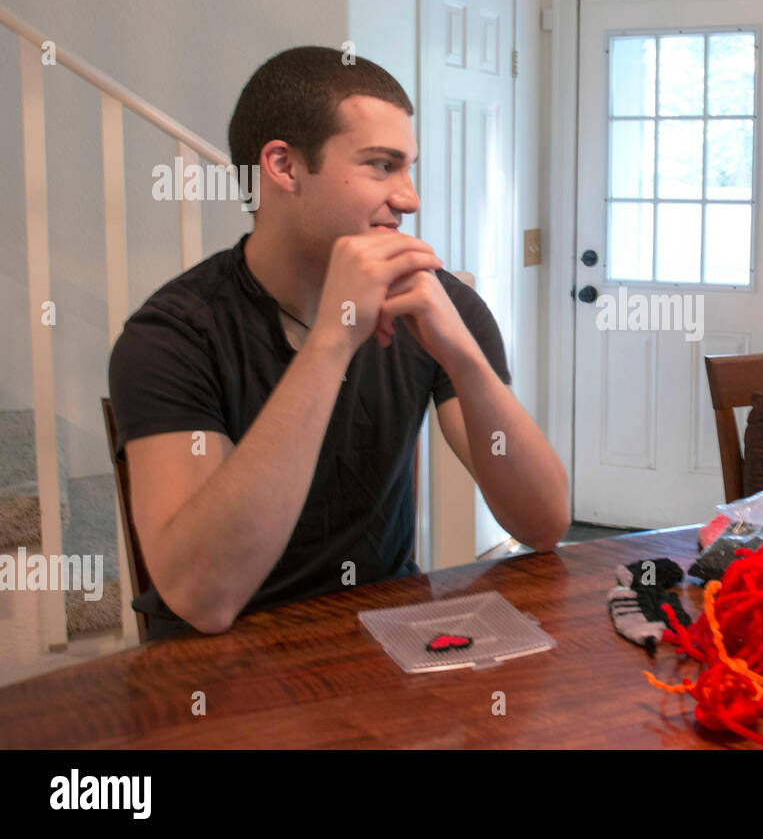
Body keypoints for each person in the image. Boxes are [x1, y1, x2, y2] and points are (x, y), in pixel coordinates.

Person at [109, 47, 569, 639]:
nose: (409, 197)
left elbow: (544, 524)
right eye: (381, 165)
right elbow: (205, 598)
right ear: (283, 167)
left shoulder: (433, 304)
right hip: (219, 667)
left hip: (386, 634)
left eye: (410, 167)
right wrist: (332, 340)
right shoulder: (173, 337)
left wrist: (463, 356)